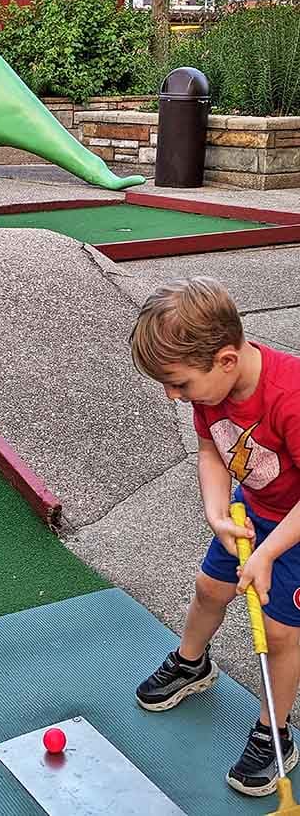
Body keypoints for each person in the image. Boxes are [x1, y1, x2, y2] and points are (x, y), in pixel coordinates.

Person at [129, 276, 300, 797]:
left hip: (294, 528)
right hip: (253, 514)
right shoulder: (212, 388)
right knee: (209, 589)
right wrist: (216, 513)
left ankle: (275, 731)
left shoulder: (290, 397)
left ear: (226, 360)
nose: (173, 395)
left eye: (179, 384)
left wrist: (269, 553)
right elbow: (211, 450)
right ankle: (192, 662)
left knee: (279, 633)